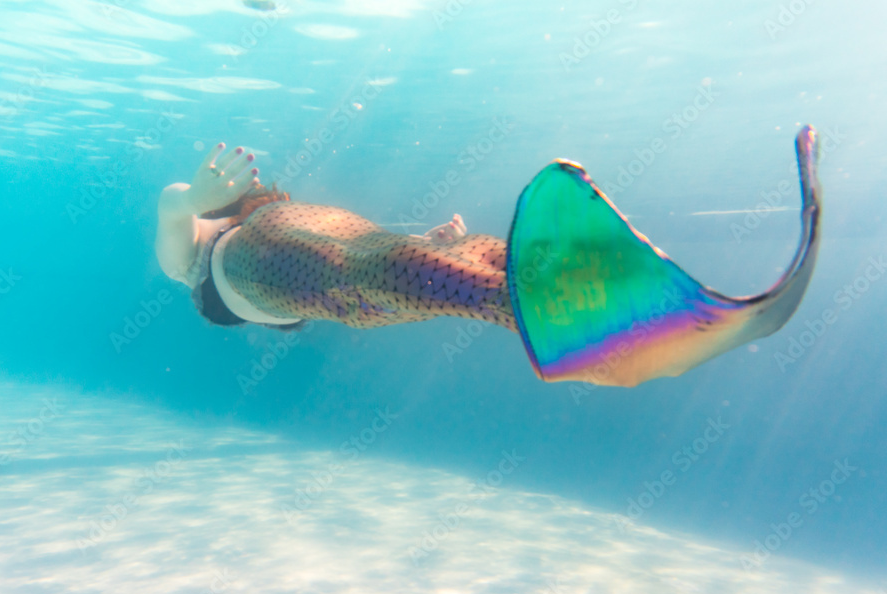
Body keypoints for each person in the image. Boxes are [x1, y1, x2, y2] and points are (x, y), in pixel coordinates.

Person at [156, 128, 822, 387]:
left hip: (361, 268)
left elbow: (360, 244)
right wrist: (196, 195)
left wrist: (427, 244)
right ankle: (623, 341)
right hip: (336, 281)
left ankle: (652, 311)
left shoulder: (268, 229)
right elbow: (169, 211)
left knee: (475, 257)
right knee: (425, 280)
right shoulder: (203, 264)